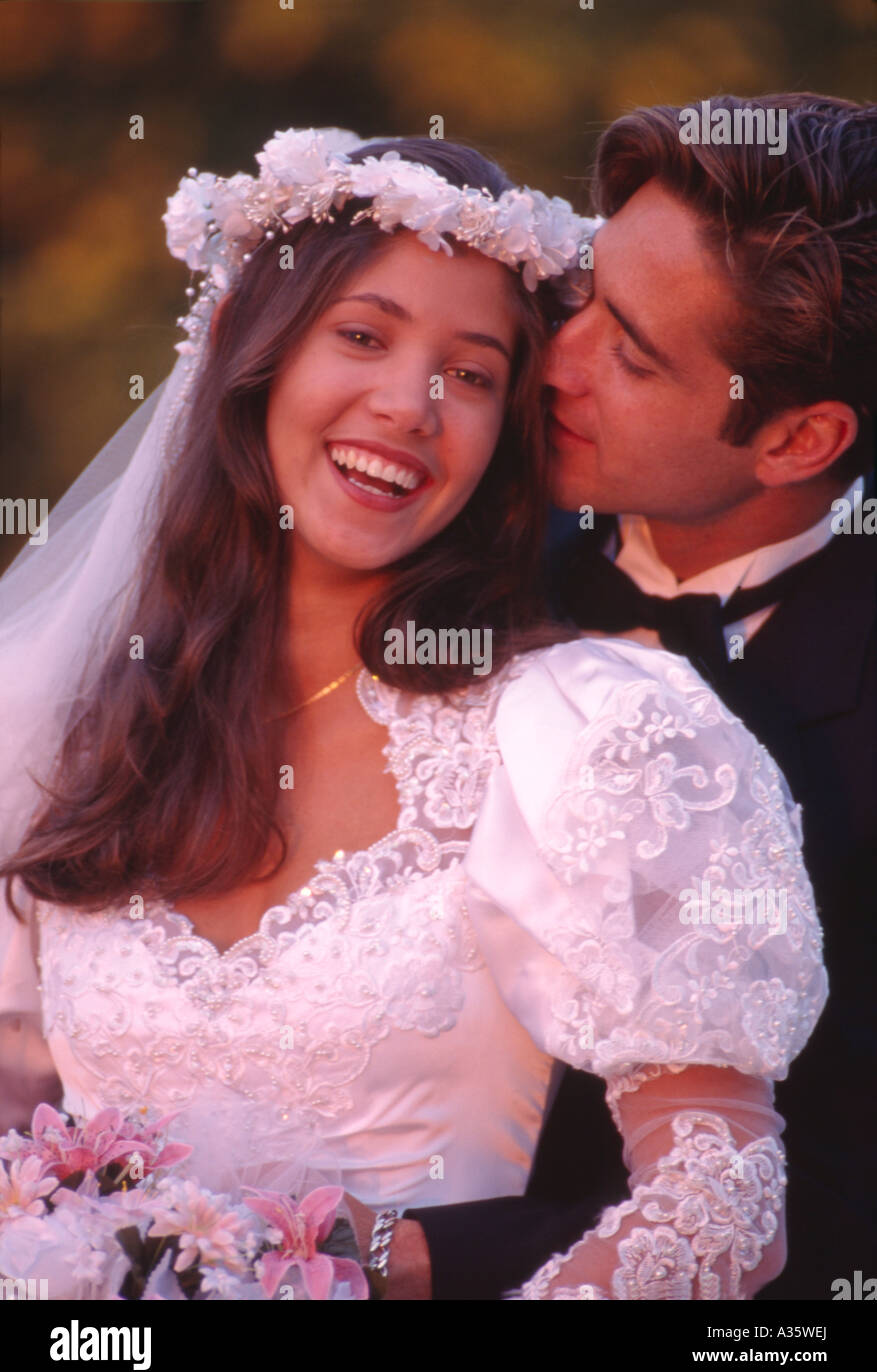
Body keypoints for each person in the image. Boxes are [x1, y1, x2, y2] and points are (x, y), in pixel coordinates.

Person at [0, 127, 826, 1301]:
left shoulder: (594, 730)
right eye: (362, 335)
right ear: (253, 347)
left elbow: (722, 1217)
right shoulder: (53, 716)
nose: (407, 405)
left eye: (475, 373)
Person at [538, 92, 877, 1301]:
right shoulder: (440, 563)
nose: (557, 356)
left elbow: (843, 1198)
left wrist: (388, 1257)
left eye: (629, 354)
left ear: (798, 439)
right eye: (579, 292)